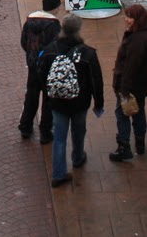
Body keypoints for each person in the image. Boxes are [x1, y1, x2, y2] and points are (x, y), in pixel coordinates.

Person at [37, 13, 104, 188]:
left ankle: (58, 173)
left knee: (59, 137)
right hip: (80, 102)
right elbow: (96, 80)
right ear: (78, 30)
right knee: (79, 130)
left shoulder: (51, 50)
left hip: (57, 102)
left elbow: (42, 75)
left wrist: (49, 94)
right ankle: (78, 156)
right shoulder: (87, 53)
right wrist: (99, 103)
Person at [108, 3, 147, 162]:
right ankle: (140, 142)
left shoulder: (136, 40)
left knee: (122, 113)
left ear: (137, 19)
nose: (126, 20)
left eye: (130, 17)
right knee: (139, 111)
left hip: (130, 85)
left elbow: (130, 67)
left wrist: (124, 90)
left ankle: (124, 147)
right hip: (142, 84)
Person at [17, 0, 63, 142]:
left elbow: (24, 42)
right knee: (48, 99)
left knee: (31, 94)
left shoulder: (29, 21)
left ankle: (25, 126)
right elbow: (56, 46)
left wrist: (32, 55)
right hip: (47, 67)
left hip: (32, 64)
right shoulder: (54, 25)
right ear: (55, 8)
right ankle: (45, 131)